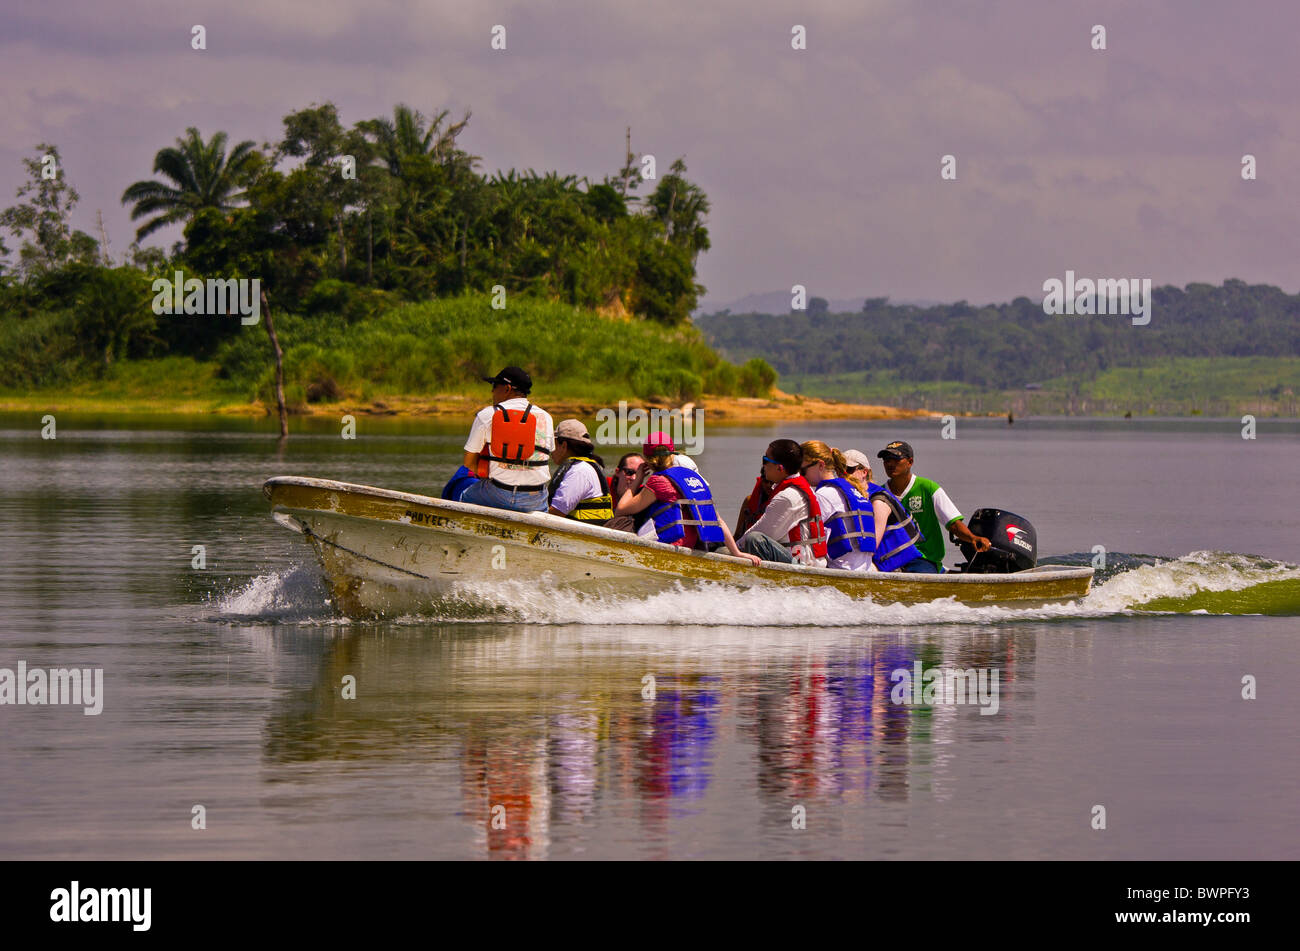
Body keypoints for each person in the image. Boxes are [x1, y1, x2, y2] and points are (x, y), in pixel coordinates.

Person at [615, 432, 760, 565]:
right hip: (691, 547)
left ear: (646, 459)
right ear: (672, 454)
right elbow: (717, 519)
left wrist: (637, 480)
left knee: (619, 522)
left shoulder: (658, 482)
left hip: (666, 548)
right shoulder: (693, 479)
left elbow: (621, 510)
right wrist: (737, 553)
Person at [876, 440, 990, 571]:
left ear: (910, 462)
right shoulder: (879, 494)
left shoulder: (928, 488)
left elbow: (953, 524)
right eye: (886, 459)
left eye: (896, 459)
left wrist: (973, 538)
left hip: (922, 557)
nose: (890, 463)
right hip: (890, 557)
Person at [460, 366, 555, 513]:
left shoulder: (487, 415)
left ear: (507, 388)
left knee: (463, 496)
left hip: (498, 493)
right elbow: (548, 454)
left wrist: (485, 473)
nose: (492, 391)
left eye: (494, 386)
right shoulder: (546, 417)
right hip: (535, 498)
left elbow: (468, 462)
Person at [735, 439, 827, 566]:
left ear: (780, 468)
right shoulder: (800, 487)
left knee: (755, 539)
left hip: (803, 564)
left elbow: (764, 531)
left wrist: (733, 550)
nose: (763, 466)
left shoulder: (787, 497)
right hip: (806, 560)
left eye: (766, 460)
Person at [800, 441, 877, 572]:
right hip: (865, 568)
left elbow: (805, 537)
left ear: (820, 465)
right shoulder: (854, 490)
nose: (801, 476)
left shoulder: (823, 495)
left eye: (803, 470)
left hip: (841, 570)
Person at [546, 419, 613, 523]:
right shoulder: (583, 467)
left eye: (553, 444)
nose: (551, 449)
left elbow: (557, 512)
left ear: (563, 445)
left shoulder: (579, 471)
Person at [604, 451, 644, 532]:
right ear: (617, 472)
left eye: (639, 474)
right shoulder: (603, 486)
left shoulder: (644, 494)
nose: (634, 478)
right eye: (629, 472)